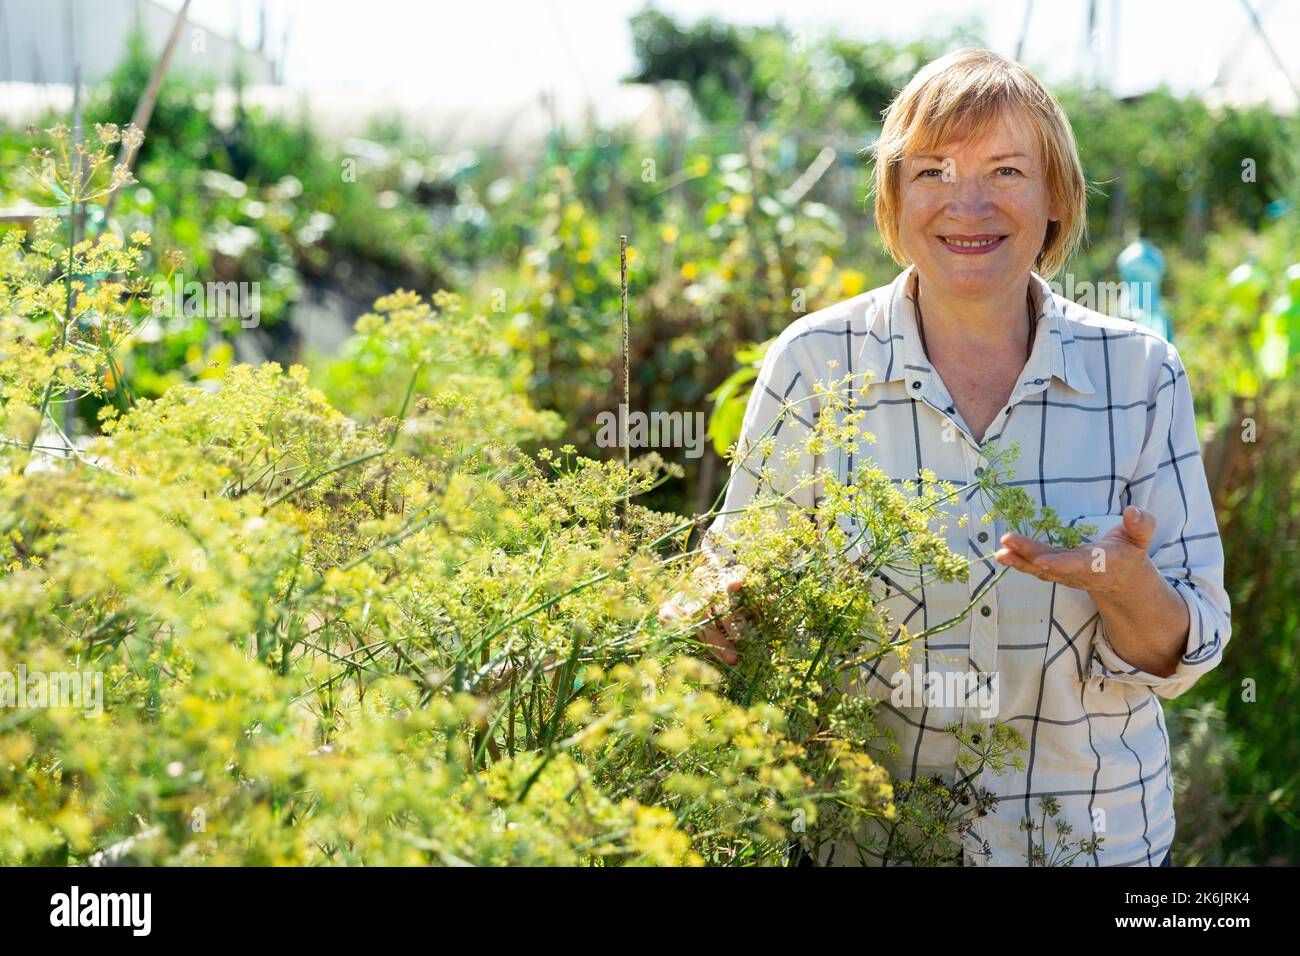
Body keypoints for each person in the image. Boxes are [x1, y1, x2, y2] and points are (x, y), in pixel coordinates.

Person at [662, 48, 1229, 867]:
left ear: (1055, 200)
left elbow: (1185, 651)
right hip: (871, 841)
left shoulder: (1138, 373)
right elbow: (743, 585)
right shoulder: (816, 363)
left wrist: (1122, 583)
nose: (968, 202)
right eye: (931, 171)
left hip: (1089, 845)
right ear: (894, 200)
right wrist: (712, 614)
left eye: (1005, 169)